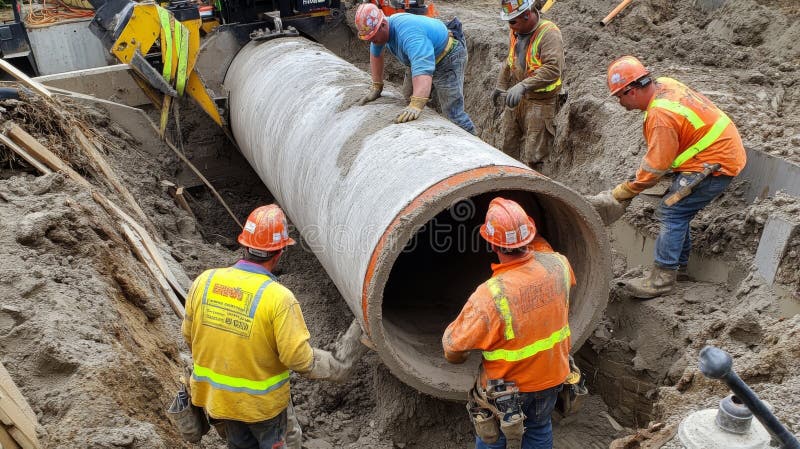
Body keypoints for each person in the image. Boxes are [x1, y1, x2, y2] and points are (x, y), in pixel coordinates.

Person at [182, 204, 349, 449]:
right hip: (262, 408)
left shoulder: (204, 282)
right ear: (280, 252)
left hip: (217, 400)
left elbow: (189, 336)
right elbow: (298, 359)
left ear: (244, 245)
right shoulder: (279, 298)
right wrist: (332, 366)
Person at [591, 56, 747, 298]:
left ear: (631, 90)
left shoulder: (660, 116)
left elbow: (656, 167)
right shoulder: (664, 84)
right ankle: (680, 267)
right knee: (678, 211)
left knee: (672, 211)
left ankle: (662, 280)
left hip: (716, 162)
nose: (620, 103)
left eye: (620, 96)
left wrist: (626, 191)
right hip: (717, 150)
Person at [442, 197, 574, 449]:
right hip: (553, 376)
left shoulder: (490, 295)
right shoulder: (561, 264)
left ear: (491, 243)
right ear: (530, 236)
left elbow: (453, 349)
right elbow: (542, 257)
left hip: (506, 390)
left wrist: (459, 354)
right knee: (539, 427)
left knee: (494, 436)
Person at [354, 2, 477, 134]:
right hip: (423, 56)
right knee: (408, 96)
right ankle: (432, 120)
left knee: (452, 112)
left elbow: (423, 66)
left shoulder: (408, 34)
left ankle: (474, 142)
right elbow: (376, 55)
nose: (371, 41)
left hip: (448, 56)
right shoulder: (381, 33)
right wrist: (377, 85)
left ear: (383, 25)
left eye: (372, 38)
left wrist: (418, 103)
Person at [492, 0, 564, 168]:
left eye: (512, 21)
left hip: (542, 101)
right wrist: (500, 85)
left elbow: (553, 69)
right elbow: (510, 60)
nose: (510, 26)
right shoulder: (516, 31)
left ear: (526, 14)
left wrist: (524, 85)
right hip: (519, 97)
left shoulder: (549, 33)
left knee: (535, 155)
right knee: (508, 146)